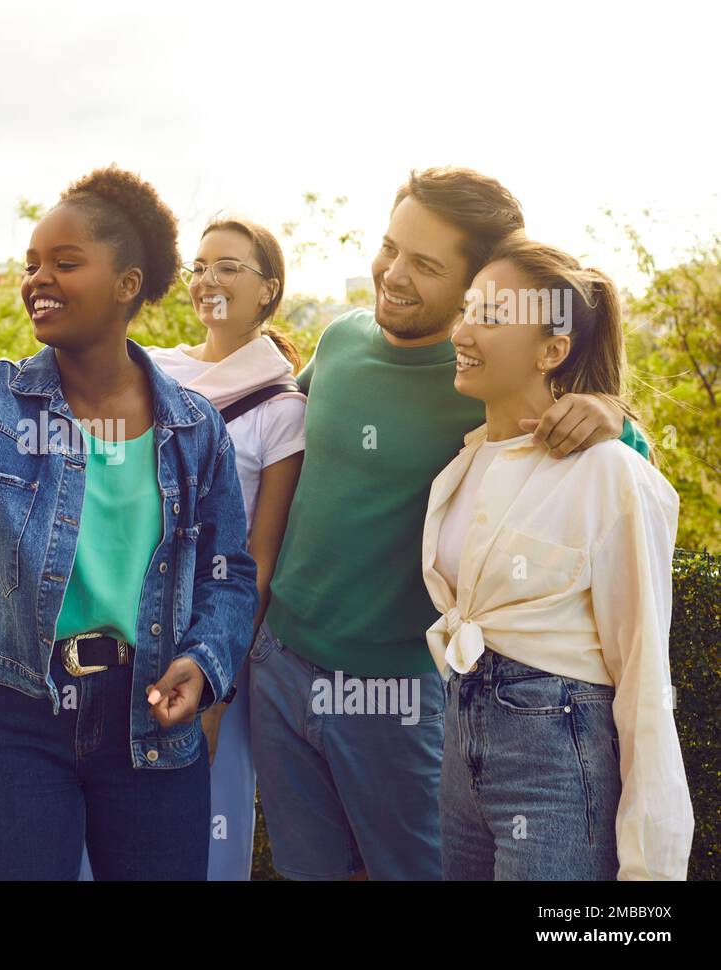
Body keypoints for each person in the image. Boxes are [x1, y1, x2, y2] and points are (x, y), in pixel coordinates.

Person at [250, 166, 651, 881]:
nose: (392, 274)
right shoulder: (340, 342)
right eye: (390, 247)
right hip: (279, 667)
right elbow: (268, 430)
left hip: (401, 696)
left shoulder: (484, 377)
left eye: (425, 265)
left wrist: (611, 416)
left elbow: (621, 474)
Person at [0, 166, 259, 880]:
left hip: (150, 719)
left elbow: (230, 573)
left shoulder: (194, 428)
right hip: (14, 717)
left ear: (128, 283)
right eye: (31, 264)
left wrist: (206, 664)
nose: (38, 280)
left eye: (65, 263)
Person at [425, 234, 693, 880]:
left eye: (490, 315)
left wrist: (651, 873)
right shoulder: (458, 470)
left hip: (557, 769)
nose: (462, 329)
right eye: (467, 309)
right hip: (460, 758)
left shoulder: (608, 473)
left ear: (552, 350)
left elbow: (644, 683)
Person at [80, 215, 304, 881]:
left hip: (204, 647)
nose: (208, 279)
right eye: (201, 266)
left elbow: (258, 561)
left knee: (201, 844)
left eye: (229, 267)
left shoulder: (282, 409)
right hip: (119, 633)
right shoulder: (156, 372)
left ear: (269, 289)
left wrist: (217, 688)